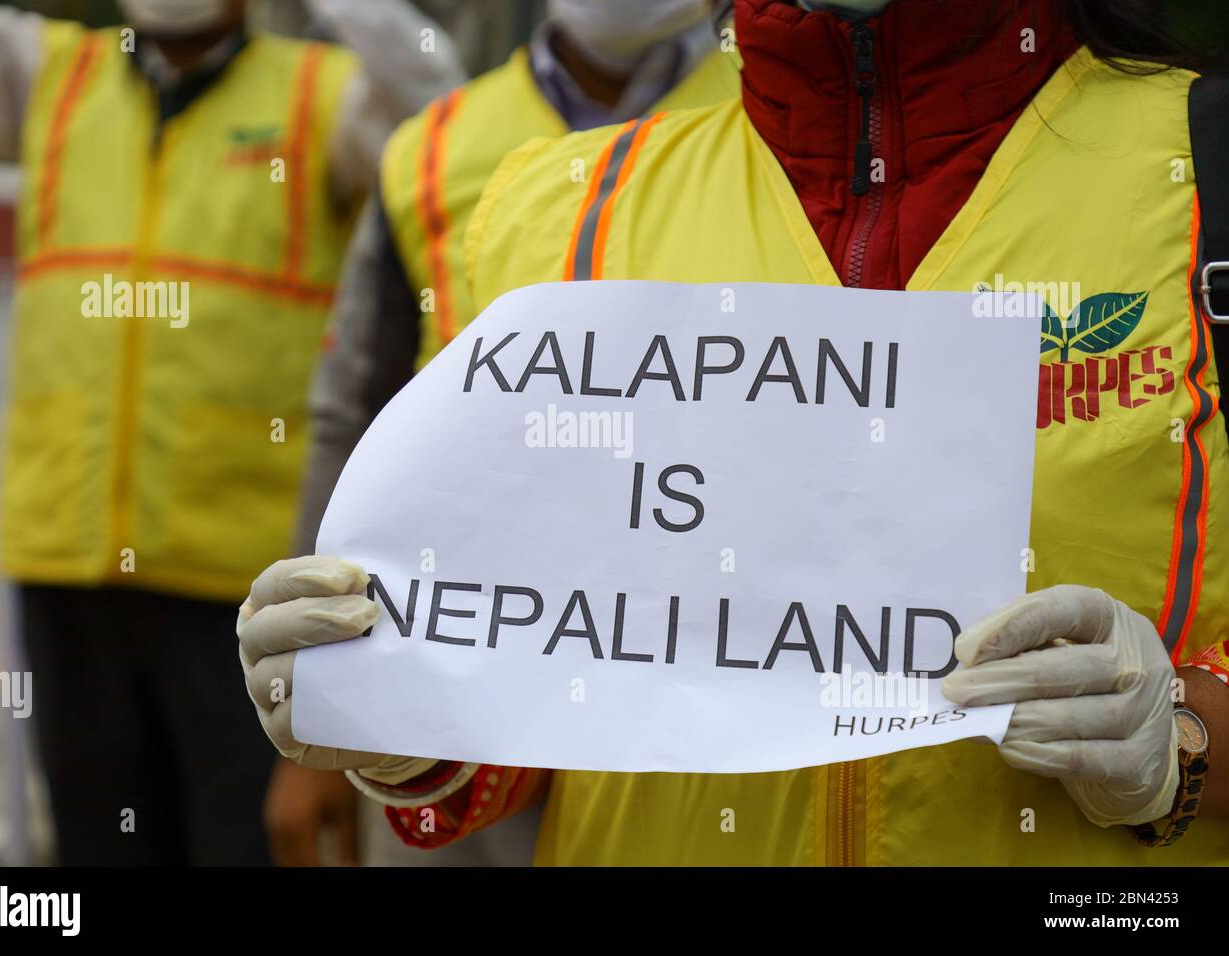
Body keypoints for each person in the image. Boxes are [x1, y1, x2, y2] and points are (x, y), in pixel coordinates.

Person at [238, 0, 1229, 864]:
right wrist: (398, 718)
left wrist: (1184, 739)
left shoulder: (1201, 181)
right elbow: (532, 715)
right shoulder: (563, 216)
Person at [0, 0, 440, 865]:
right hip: (69, 562)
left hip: (248, 589)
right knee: (97, 846)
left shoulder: (324, 94)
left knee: (246, 840)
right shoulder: (51, 75)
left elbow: (440, 117)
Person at [269, 0, 739, 866]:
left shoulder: (784, 122)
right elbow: (355, 412)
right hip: (451, 719)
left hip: (696, 724)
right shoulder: (433, 145)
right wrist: (317, 718)